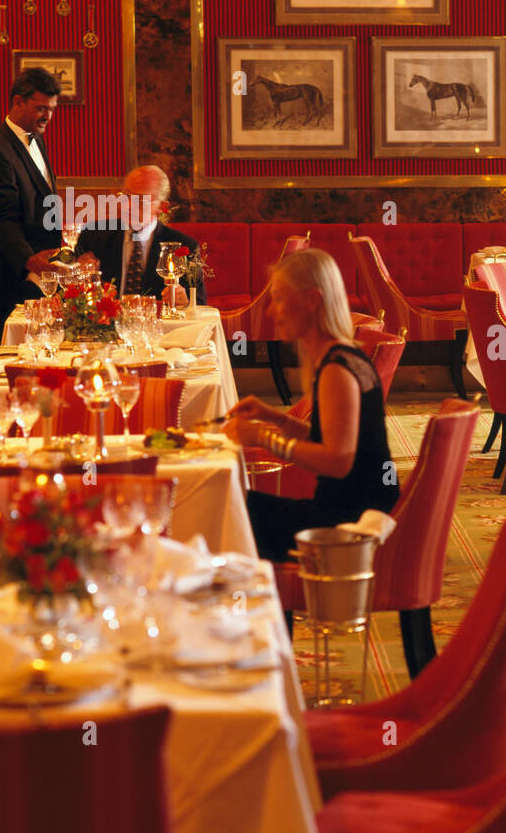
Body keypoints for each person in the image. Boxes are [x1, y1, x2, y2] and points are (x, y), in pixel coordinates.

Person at [223, 249, 399, 561]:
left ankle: (267, 605)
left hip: (348, 525)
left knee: (227, 510)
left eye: (278, 298)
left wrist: (263, 438)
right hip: (358, 507)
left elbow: (338, 460)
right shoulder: (347, 355)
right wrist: (274, 418)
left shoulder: (336, 371)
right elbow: (331, 439)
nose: (269, 312)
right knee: (233, 504)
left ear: (313, 300)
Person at [0, 67, 64, 331]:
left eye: (51, 108)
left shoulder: (36, 138)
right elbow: (3, 220)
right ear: (18, 102)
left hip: (42, 275)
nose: (48, 116)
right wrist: (31, 261)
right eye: (41, 108)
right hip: (15, 276)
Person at [76, 165, 206, 302]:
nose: (129, 205)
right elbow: (69, 294)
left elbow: (200, 304)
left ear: (162, 207)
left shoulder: (184, 247)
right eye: (126, 196)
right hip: (106, 322)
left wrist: (186, 302)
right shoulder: (93, 235)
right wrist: (79, 278)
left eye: (141, 200)